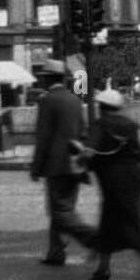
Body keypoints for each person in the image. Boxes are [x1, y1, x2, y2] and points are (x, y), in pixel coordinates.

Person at [77, 89, 140, 280]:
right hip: (133, 180)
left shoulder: (100, 125)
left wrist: (81, 159)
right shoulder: (131, 125)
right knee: (109, 223)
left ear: (102, 107)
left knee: (130, 225)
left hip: (111, 181)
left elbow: (88, 153)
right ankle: (102, 270)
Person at [30, 60, 96, 266]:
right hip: (75, 164)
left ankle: (93, 239)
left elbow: (44, 137)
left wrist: (36, 167)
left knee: (60, 212)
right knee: (63, 208)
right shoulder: (75, 100)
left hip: (56, 165)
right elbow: (84, 132)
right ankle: (55, 252)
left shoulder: (47, 101)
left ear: (47, 79)